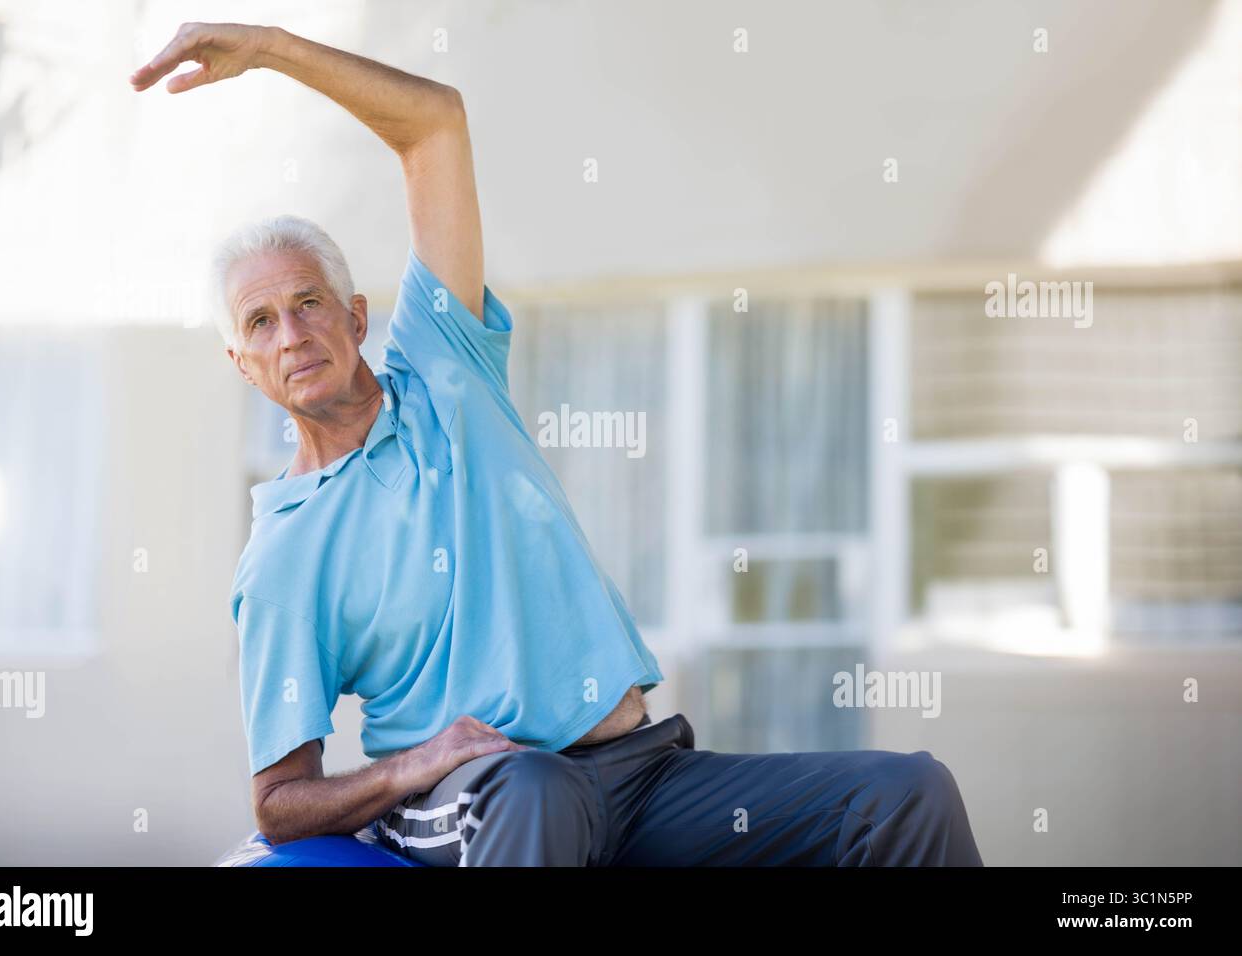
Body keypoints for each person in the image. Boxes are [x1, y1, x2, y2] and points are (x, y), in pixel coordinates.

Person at [130, 21, 984, 866]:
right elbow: (280, 802)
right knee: (537, 788)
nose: (291, 334)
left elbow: (433, 126)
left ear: (356, 318)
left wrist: (275, 49)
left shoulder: (444, 369)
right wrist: (413, 767)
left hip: (642, 776)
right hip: (479, 796)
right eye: (260, 323)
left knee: (906, 793)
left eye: (309, 303)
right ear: (243, 365)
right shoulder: (284, 556)